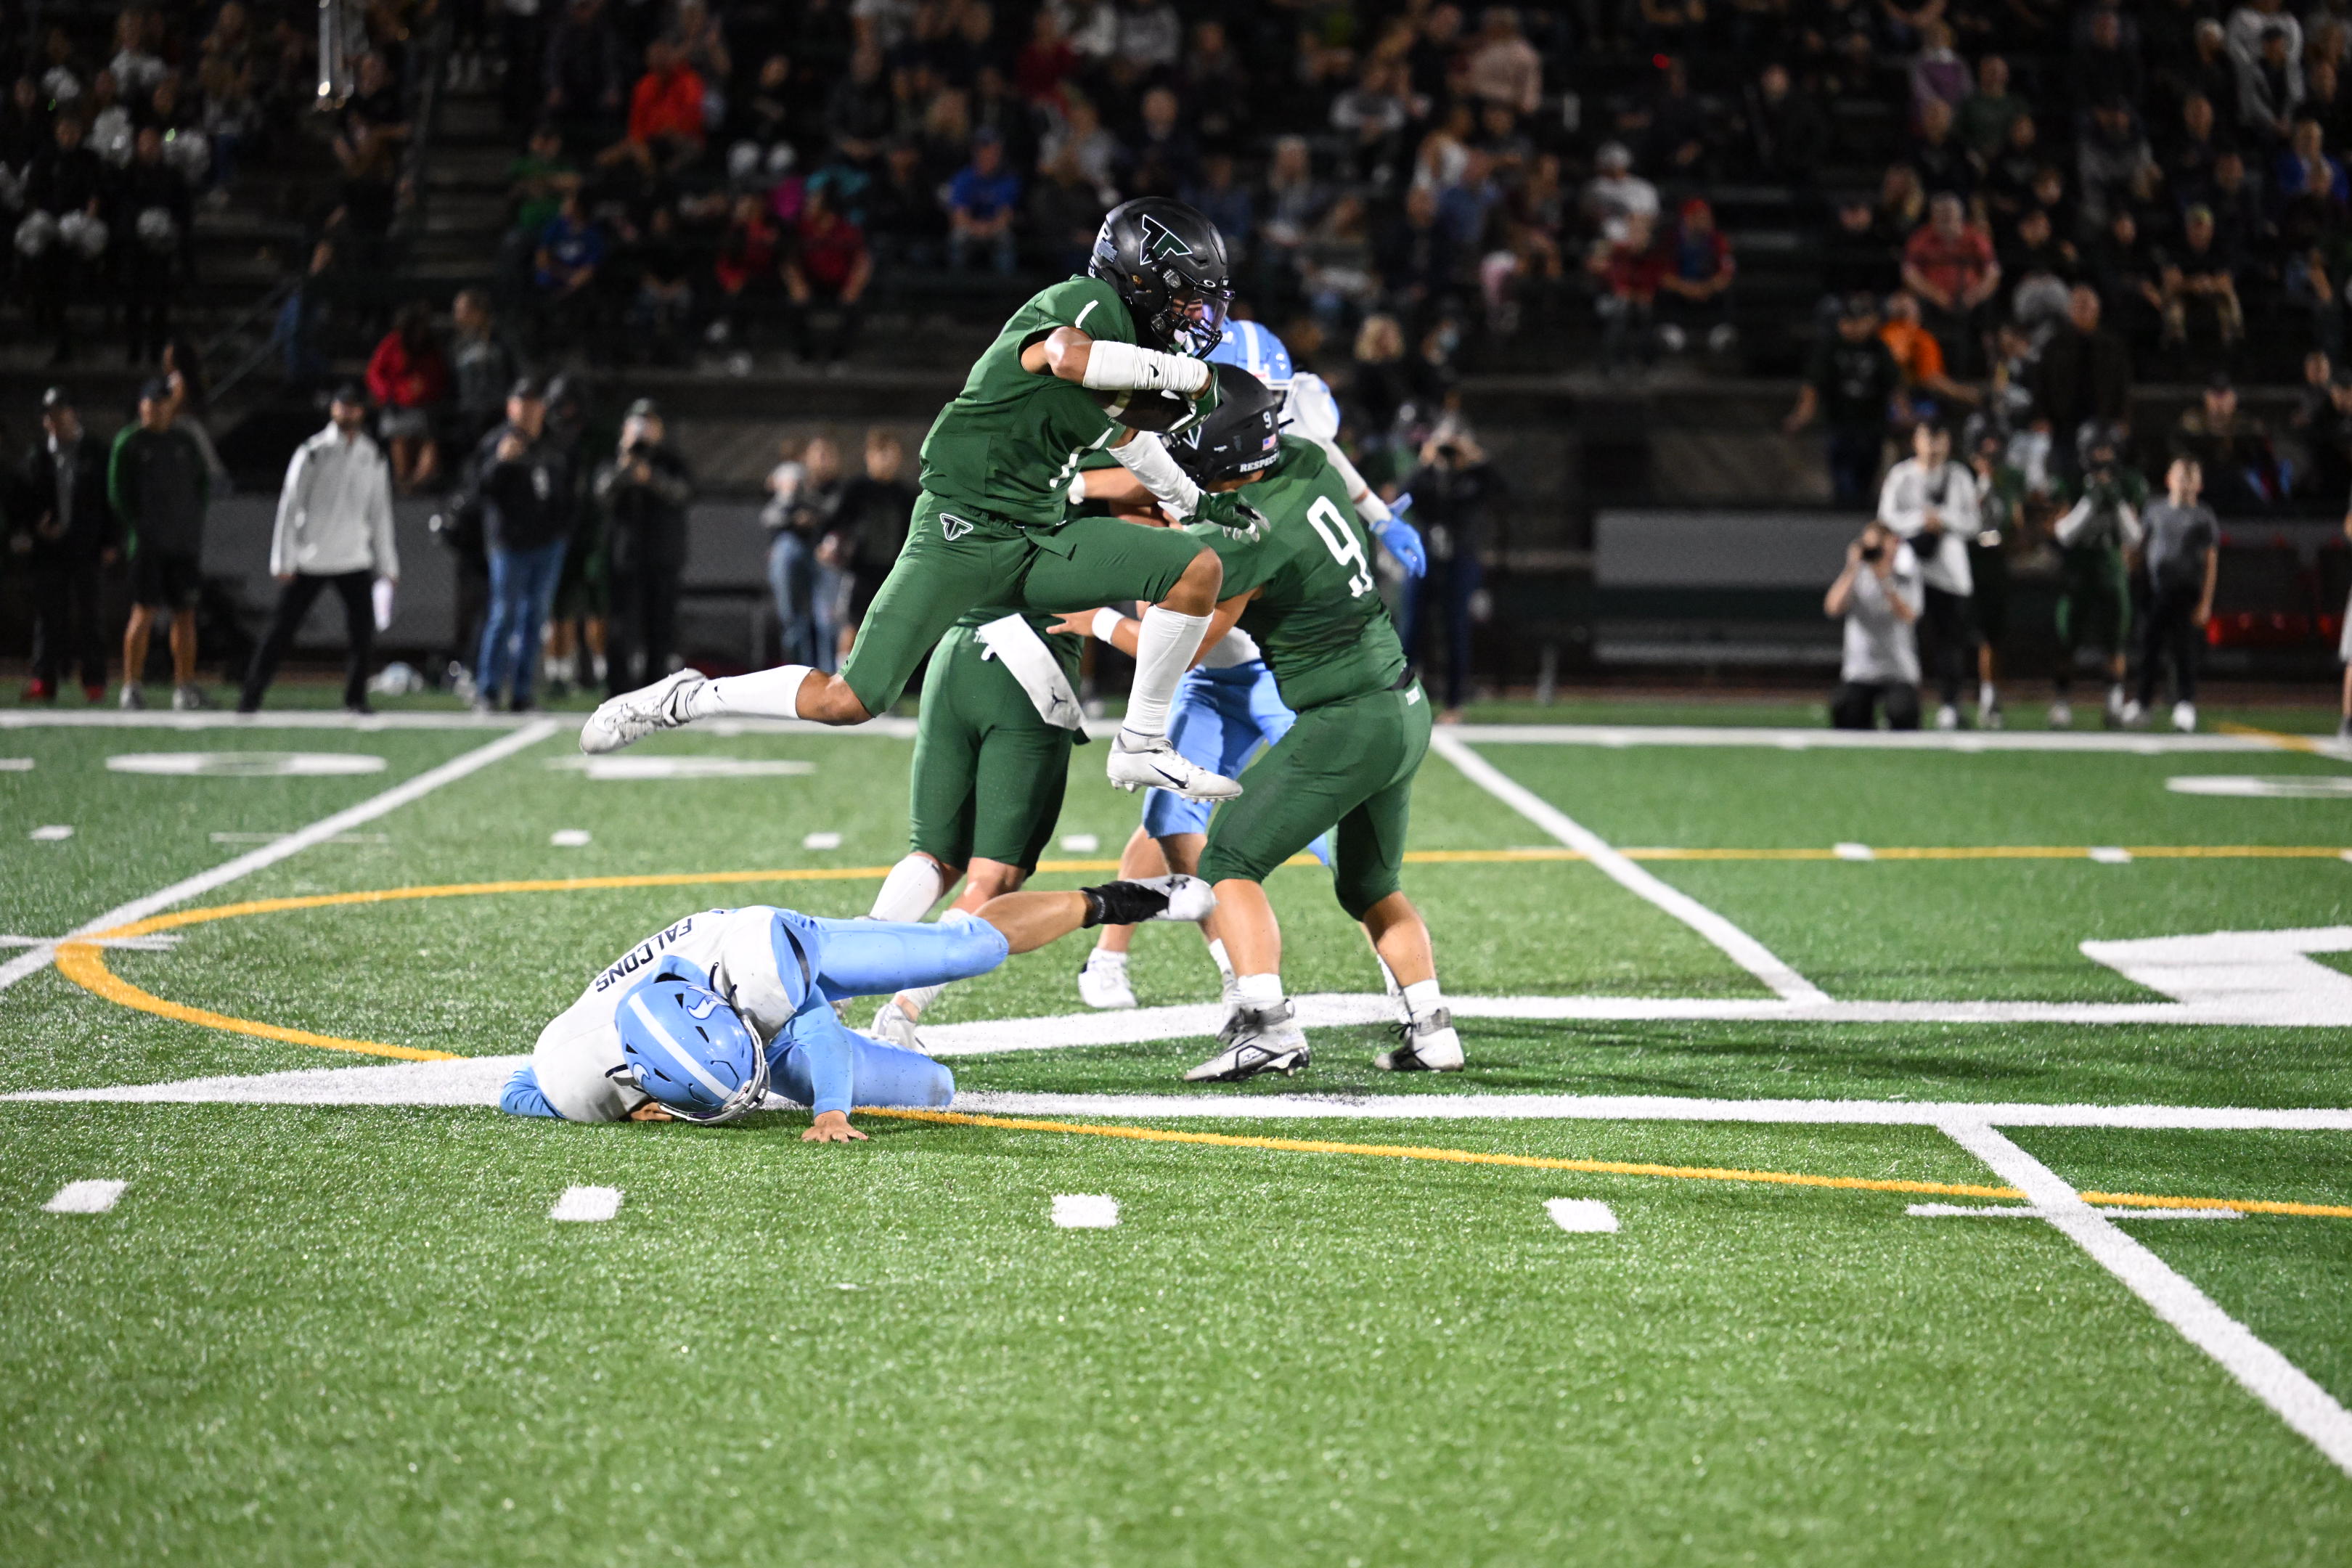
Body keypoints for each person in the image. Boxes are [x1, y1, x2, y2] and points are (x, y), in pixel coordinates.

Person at [583, 198, 1267, 804]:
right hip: (960, 531)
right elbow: (1070, 359)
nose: (1196, 317)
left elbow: (1124, 439)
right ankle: (691, 695)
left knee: (1194, 569)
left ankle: (1141, 741)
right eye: (1185, 299)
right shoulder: (1084, 303)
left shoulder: (1129, 349)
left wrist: (1196, 501)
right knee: (847, 700)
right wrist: (1195, 374)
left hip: (1036, 537)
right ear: (1138, 281)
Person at [1072, 319, 1424, 1013]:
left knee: (1311, 828)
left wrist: (1101, 614)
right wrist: (1087, 493)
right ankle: (1183, 966)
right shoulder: (1243, 443)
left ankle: (1341, 981)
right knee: (1169, 817)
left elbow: (1182, 626)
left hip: (1274, 665)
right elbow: (1146, 467)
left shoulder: (1266, 484)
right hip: (1236, 673)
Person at [499, 877, 1215, 1131]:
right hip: (721, 1024)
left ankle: (1119, 900)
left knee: (970, 952)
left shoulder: (755, 966)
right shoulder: (570, 1074)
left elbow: (816, 1033)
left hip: (784, 951)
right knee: (934, 1091)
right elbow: (518, 1090)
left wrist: (830, 1110)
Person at [237, 385, 399, 714]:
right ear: (333, 410)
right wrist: (283, 558)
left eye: (354, 407)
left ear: (362, 412)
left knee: (362, 632)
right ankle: (251, 696)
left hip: (354, 557)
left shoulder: (373, 455)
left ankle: (356, 699)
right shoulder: (312, 452)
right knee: (281, 629)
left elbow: (380, 512)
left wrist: (388, 564)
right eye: (342, 406)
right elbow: (290, 504)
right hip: (312, 557)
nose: (348, 413)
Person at [460, 377, 576, 713]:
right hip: (508, 543)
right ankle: (488, 690)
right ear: (511, 407)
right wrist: (500, 462)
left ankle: (523, 693)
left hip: (547, 544)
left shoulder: (554, 444)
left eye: (533, 402)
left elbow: (567, 492)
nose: (527, 409)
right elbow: (477, 491)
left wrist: (562, 532)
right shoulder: (497, 442)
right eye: (521, 402)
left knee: (535, 618)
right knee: (503, 615)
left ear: (542, 407)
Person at [110, 377, 214, 710]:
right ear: (142, 405)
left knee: (185, 614)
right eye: (151, 402)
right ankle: (132, 686)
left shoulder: (184, 441)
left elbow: (202, 485)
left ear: (171, 405)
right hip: (148, 545)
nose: (156, 408)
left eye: (162, 402)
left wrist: (188, 523)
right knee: (144, 612)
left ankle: (184, 686)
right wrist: (139, 528)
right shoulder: (130, 442)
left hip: (181, 544)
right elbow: (118, 493)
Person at [13, 388, 115, 703]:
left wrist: (111, 540)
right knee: (48, 616)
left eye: (59, 411)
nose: (53, 419)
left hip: (87, 546)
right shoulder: (37, 456)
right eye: (49, 414)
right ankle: (44, 679)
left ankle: (94, 681)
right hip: (50, 549)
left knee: (90, 616)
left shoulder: (97, 453)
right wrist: (35, 528)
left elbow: (109, 501)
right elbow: (23, 501)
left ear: (74, 413)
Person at [1877, 422, 1978, 730]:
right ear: (1916, 441)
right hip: (1911, 572)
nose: (1933, 445)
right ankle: (1902, 705)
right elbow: (1886, 518)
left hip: (1950, 574)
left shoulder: (1959, 476)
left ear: (1948, 442)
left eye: (1940, 438)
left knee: (1950, 643)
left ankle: (1949, 705)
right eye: (1927, 437)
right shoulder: (1901, 475)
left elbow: (1973, 523)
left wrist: (1942, 520)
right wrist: (1921, 520)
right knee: (1905, 644)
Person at [2049, 425, 2146, 728]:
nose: (2102, 456)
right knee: (2068, 640)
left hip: (2111, 567)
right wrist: (2090, 502)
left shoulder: (2128, 483)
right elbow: (2064, 533)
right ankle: (2062, 702)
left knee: (2115, 643)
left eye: (2107, 450)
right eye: (2096, 450)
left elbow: (2134, 537)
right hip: (2078, 568)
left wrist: (2115, 501)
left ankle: (2113, 703)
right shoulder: (2072, 482)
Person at [592, 399, 691, 696]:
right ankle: (617, 691)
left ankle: (655, 692)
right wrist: (625, 464)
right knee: (621, 627)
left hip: (663, 557)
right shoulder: (615, 462)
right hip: (625, 557)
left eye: (650, 423)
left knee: (660, 629)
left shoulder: (673, 462)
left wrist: (652, 479)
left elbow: (682, 494)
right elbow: (601, 495)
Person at [1787, 293, 1904, 507]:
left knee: (1867, 476)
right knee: (1843, 479)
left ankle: (1858, 512)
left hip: (1872, 423)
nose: (1854, 327)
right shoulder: (1830, 347)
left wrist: (1904, 412)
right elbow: (1813, 384)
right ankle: (1844, 510)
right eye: (1848, 322)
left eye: (1859, 321)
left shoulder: (1878, 347)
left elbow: (1894, 384)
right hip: (1839, 423)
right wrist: (1803, 414)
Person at [2129, 457, 2219, 733]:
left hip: (2186, 591)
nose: (2185, 483)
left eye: (2191, 478)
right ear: (2169, 479)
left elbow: (2211, 560)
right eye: (2181, 477)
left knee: (2183, 651)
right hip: (2155, 590)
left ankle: (2185, 704)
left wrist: (2206, 602)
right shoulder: (2155, 510)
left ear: (2200, 484)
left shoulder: (2203, 516)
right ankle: (2143, 703)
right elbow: (2140, 547)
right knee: (2148, 648)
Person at [1825, 519, 1924, 731]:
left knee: (1903, 717)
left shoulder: (1905, 575)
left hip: (1898, 672)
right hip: (1860, 672)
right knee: (1845, 713)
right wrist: (1852, 568)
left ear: (1893, 544)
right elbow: (1832, 607)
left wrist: (1885, 580)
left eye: (1879, 544)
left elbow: (1909, 615)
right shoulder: (1856, 576)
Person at [364, 301, 449, 493]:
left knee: (428, 441)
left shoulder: (431, 348)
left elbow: (439, 378)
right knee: (399, 437)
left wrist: (425, 390)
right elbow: (375, 374)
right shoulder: (393, 343)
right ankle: (403, 482)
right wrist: (390, 395)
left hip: (424, 407)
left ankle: (415, 484)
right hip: (396, 406)